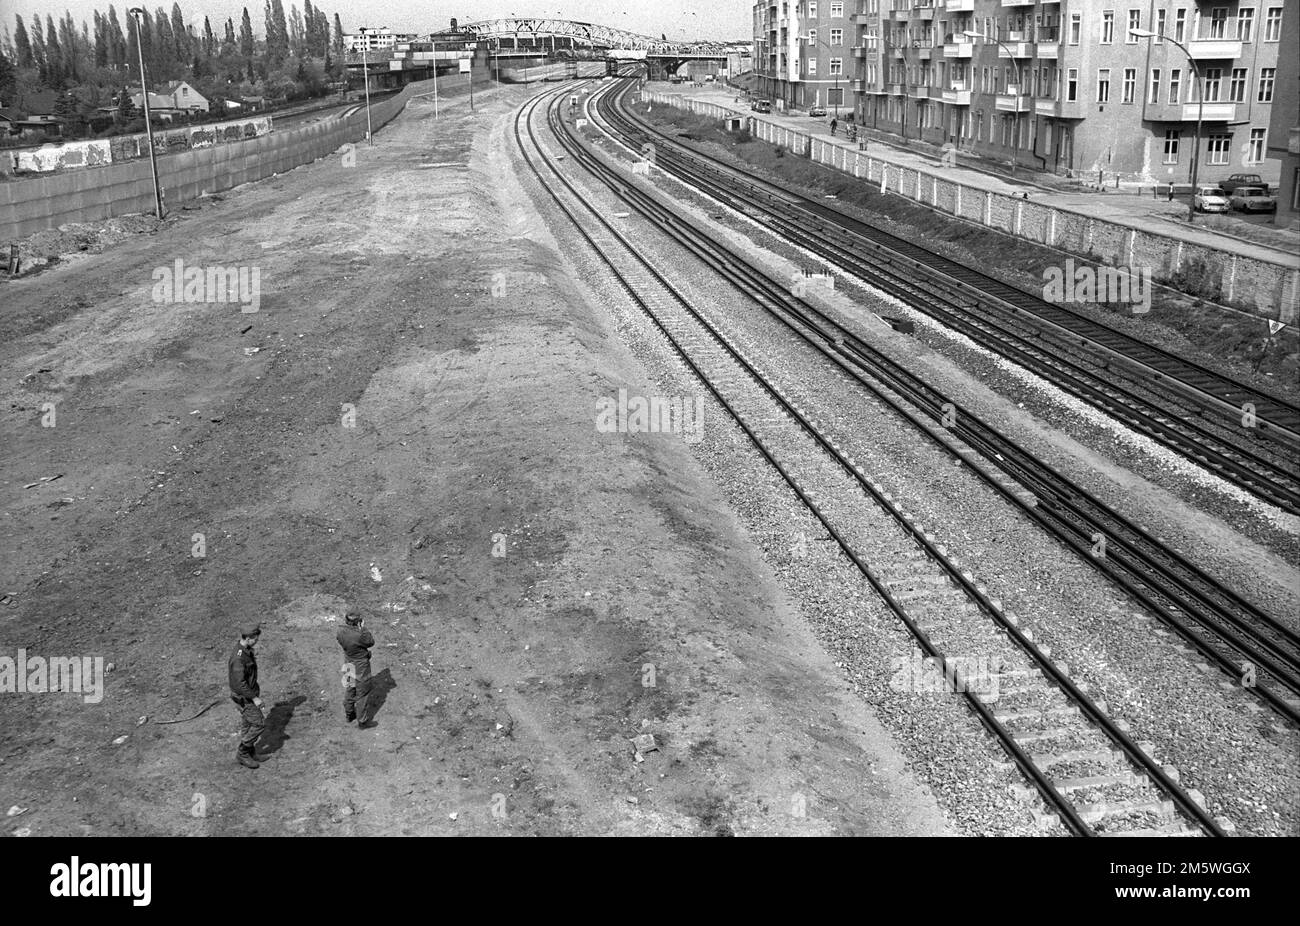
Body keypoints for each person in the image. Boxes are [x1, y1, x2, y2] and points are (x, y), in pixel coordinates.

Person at [228, 624, 264, 769]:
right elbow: (240, 684)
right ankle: (242, 753)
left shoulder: (245, 651)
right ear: (247, 638)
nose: (256, 641)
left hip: (247, 695)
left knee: (247, 724)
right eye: (254, 639)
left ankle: (250, 752)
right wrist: (255, 698)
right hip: (245, 697)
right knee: (259, 723)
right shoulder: (238, 658)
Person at [337, 610, 376, 728]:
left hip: (348, 662)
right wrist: (363, 628)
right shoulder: (360, 635)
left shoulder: (340, 630)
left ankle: (349, 714)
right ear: (358, 622)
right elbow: (370, 642)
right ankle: (362, 721)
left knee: (350, 688)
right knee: (362, 693)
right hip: (361, 667)